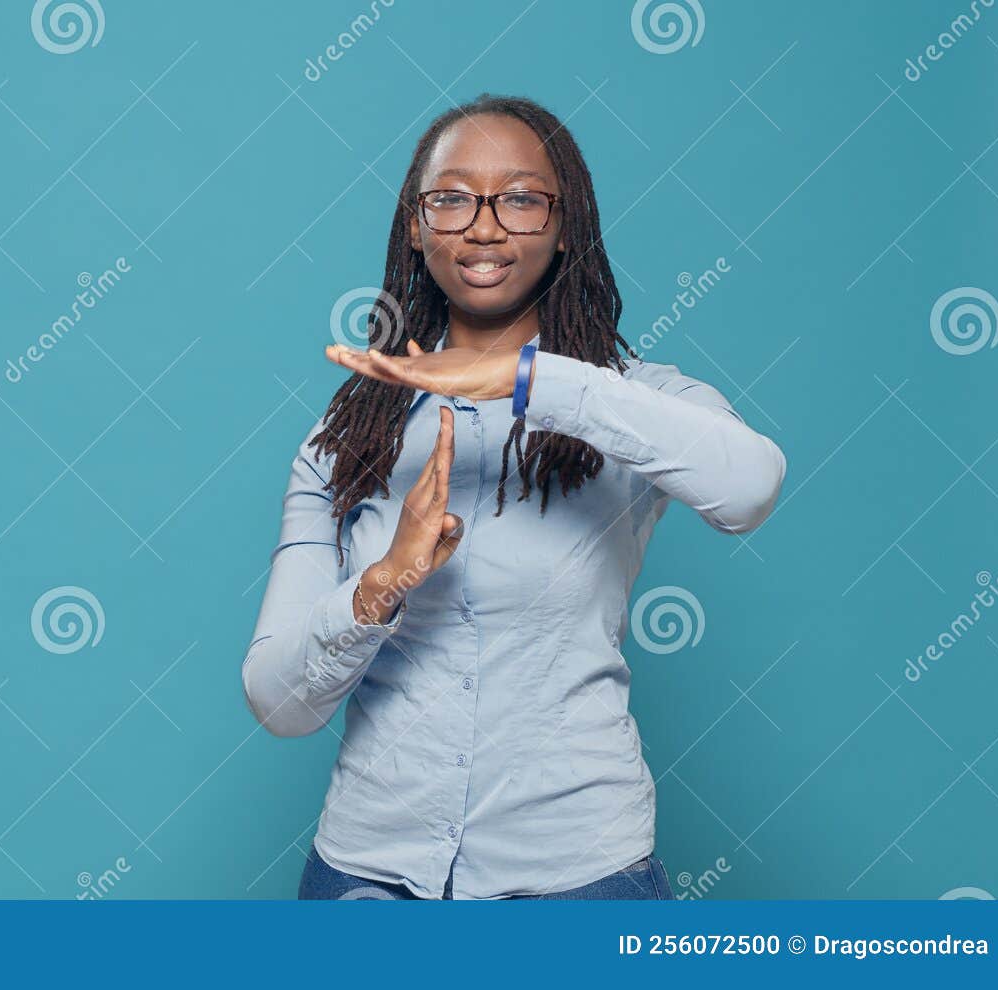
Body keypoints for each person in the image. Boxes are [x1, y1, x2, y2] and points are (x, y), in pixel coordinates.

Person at [241, 94, 786, 900]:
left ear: (566, 226)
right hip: (367, 876)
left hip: (577, 879)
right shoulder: (346, 439)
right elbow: (280, 704)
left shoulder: (635, 404)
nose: (485, 226)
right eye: (451, 198)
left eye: (522, 199)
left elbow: (750, 487)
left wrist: (533, 378)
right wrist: (381, 585)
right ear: (417, 228)